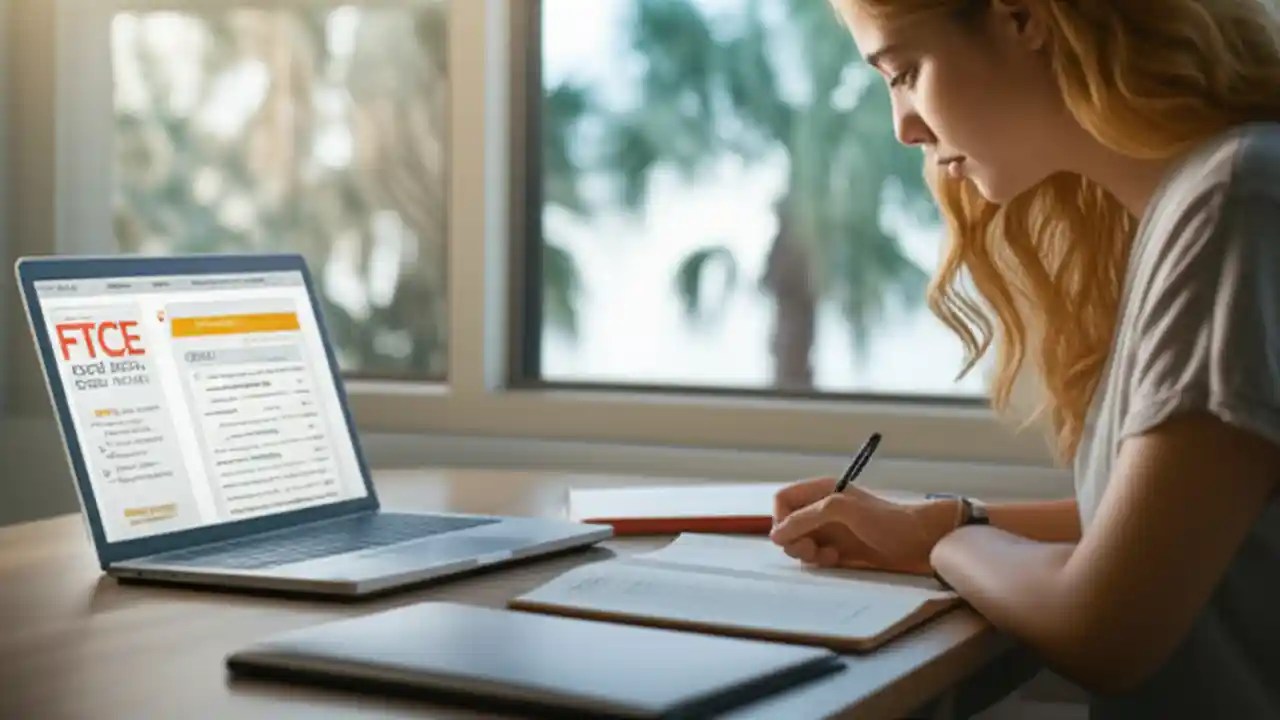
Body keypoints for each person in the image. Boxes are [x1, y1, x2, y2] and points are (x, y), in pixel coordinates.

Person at [767, 1, 1280, 717]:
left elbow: (1105, 626)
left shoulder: (1236, 202)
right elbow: (1160, 527)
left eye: (905, 72)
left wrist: (946, 543)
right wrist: (936, 525)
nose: (904, 126)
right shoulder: (1197, 203)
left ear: (1024, 16)